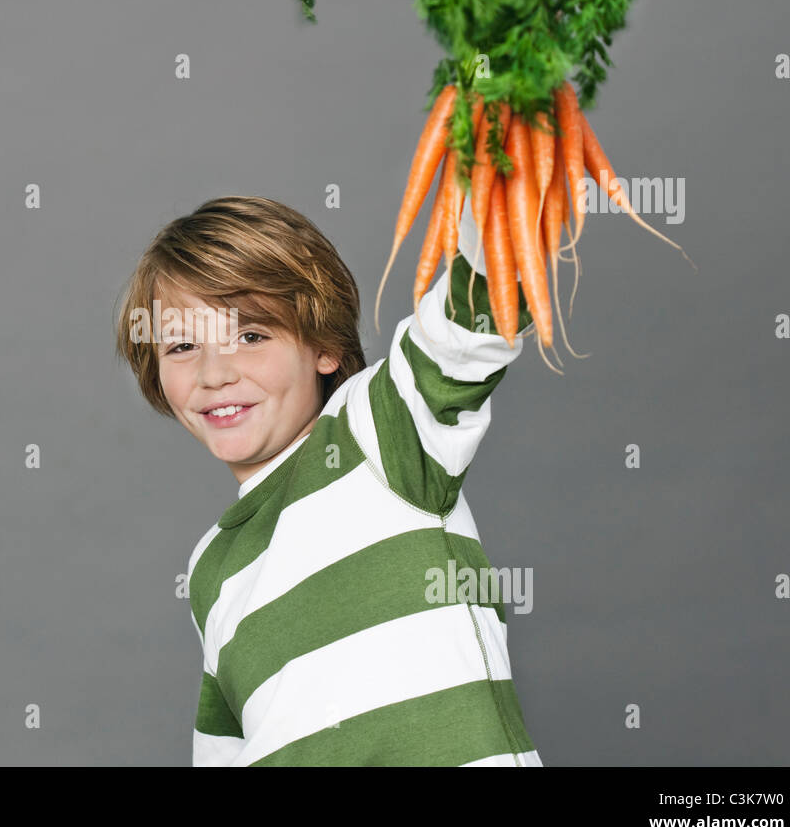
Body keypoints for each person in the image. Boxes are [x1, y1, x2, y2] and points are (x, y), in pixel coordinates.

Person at [113, 195, 543, 766]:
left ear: (324, 346)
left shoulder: (378, 435)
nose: (214, 374)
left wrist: (496, 172)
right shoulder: (212, 567)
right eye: (183, 346)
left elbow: (477, 309)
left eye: (250, 336)